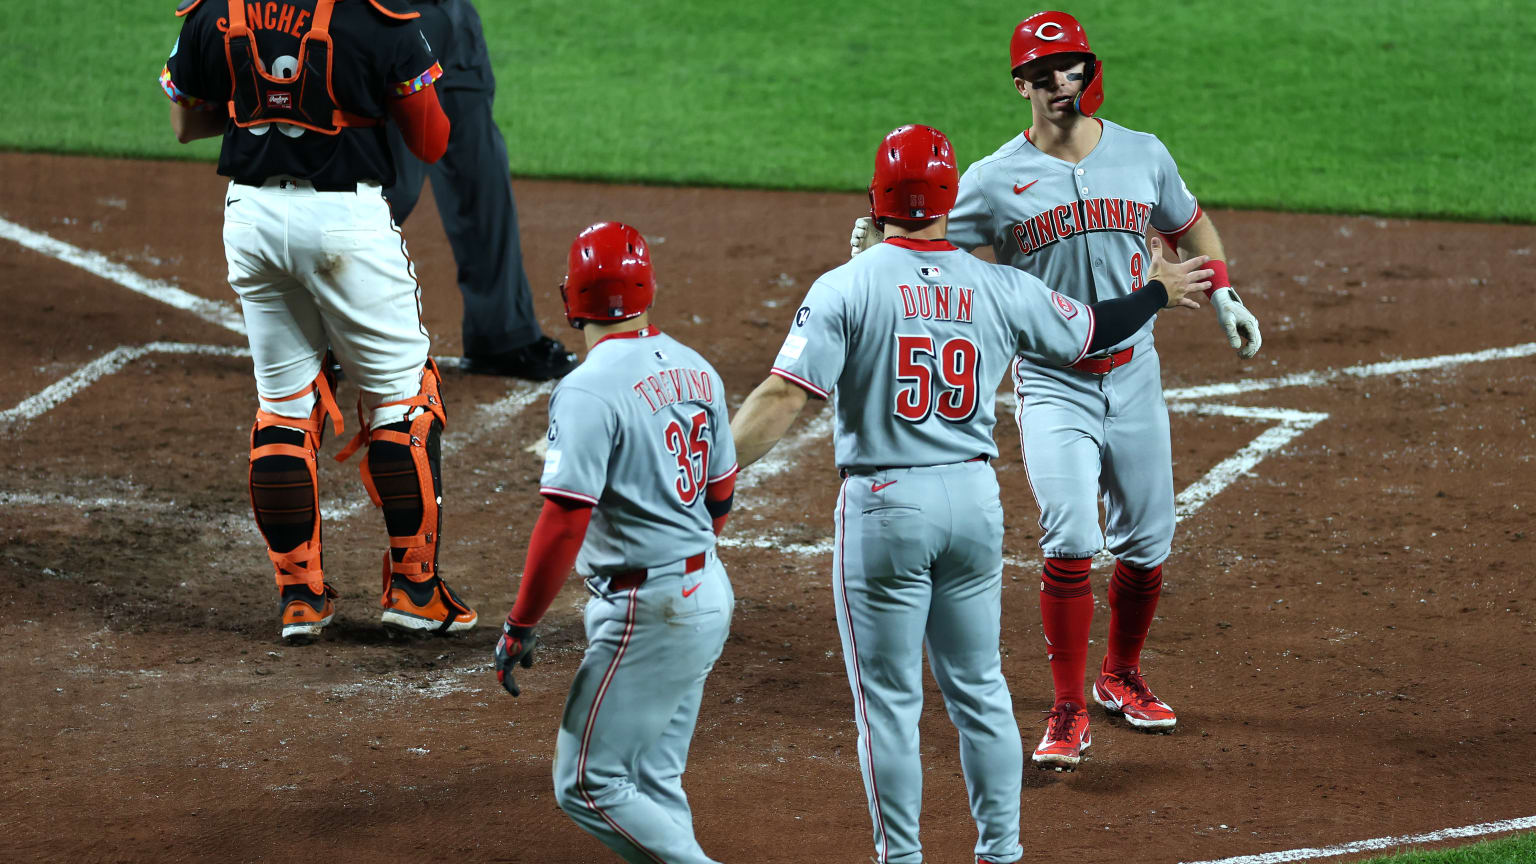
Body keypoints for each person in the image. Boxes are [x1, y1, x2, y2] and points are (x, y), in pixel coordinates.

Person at [736, 125, 1209, 864]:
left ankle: (902, 860)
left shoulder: (847, 284)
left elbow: (778, 399)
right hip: (972, 505)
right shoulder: (1000, 285)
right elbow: (1093, 331)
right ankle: (1001, 854)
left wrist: (712, 476)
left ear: (875, 200)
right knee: (982, 693)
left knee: (890, 710)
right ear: (952, 200)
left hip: (886, 506)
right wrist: (1156, 289)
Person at [852, 11, 1263, 770]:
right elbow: (928, 233)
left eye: (1071, 66)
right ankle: (1068, 705)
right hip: (1051, 382)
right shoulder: (992, 180)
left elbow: (1190, 223)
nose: (1061, 82)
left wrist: (1226, 294)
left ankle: (1121, 677)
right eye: (1043, 72)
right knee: (1072, 536)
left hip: (1135, 373)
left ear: (1087, 70)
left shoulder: (1142, 154)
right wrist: (881, 244)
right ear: (1022, 85)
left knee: (1147, 542)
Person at [160, 0, 478, 643]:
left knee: (281, 404)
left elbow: (185, 122)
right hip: (343, 223)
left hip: (249, 220)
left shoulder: (214, 11)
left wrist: (268, 103)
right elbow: (432, 140)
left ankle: (300, 597)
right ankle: (415, 589)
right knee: (402, 400)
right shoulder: (379, 17)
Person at [492, 222, 739, 864]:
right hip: (705, 591)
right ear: (648, 289)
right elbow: (721, 495)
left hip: (648, 609)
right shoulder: (699, 370)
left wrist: (521, 623)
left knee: (586, 782)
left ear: (571, 298)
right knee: (654, 779)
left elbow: (565, 520)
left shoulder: (586, 389)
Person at [383, 0, 577, 380]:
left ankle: (502, 334)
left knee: (481, 176)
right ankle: (318, 328)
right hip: (391, 17)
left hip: (453, 21)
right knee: (391, 186)